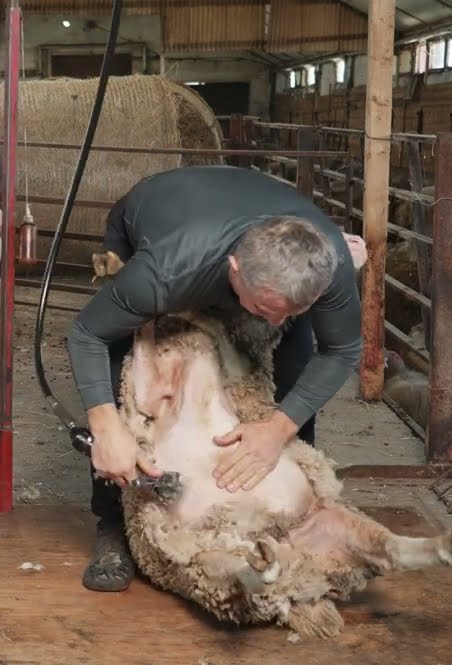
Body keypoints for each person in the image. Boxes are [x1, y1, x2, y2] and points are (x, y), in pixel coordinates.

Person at [66, 164, 362, 593]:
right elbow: (88, 333)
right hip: (163, 215)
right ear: (235, 269)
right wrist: (106, 426)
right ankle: (112, 525)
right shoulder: (163, 274)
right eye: (265, 308)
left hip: (242, 217)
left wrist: (279, 428)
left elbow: (341, 350)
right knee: (124, 363)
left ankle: (291, 513)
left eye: (290, 310)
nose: (276, 319)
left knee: (296, 362)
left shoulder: (327, 263)